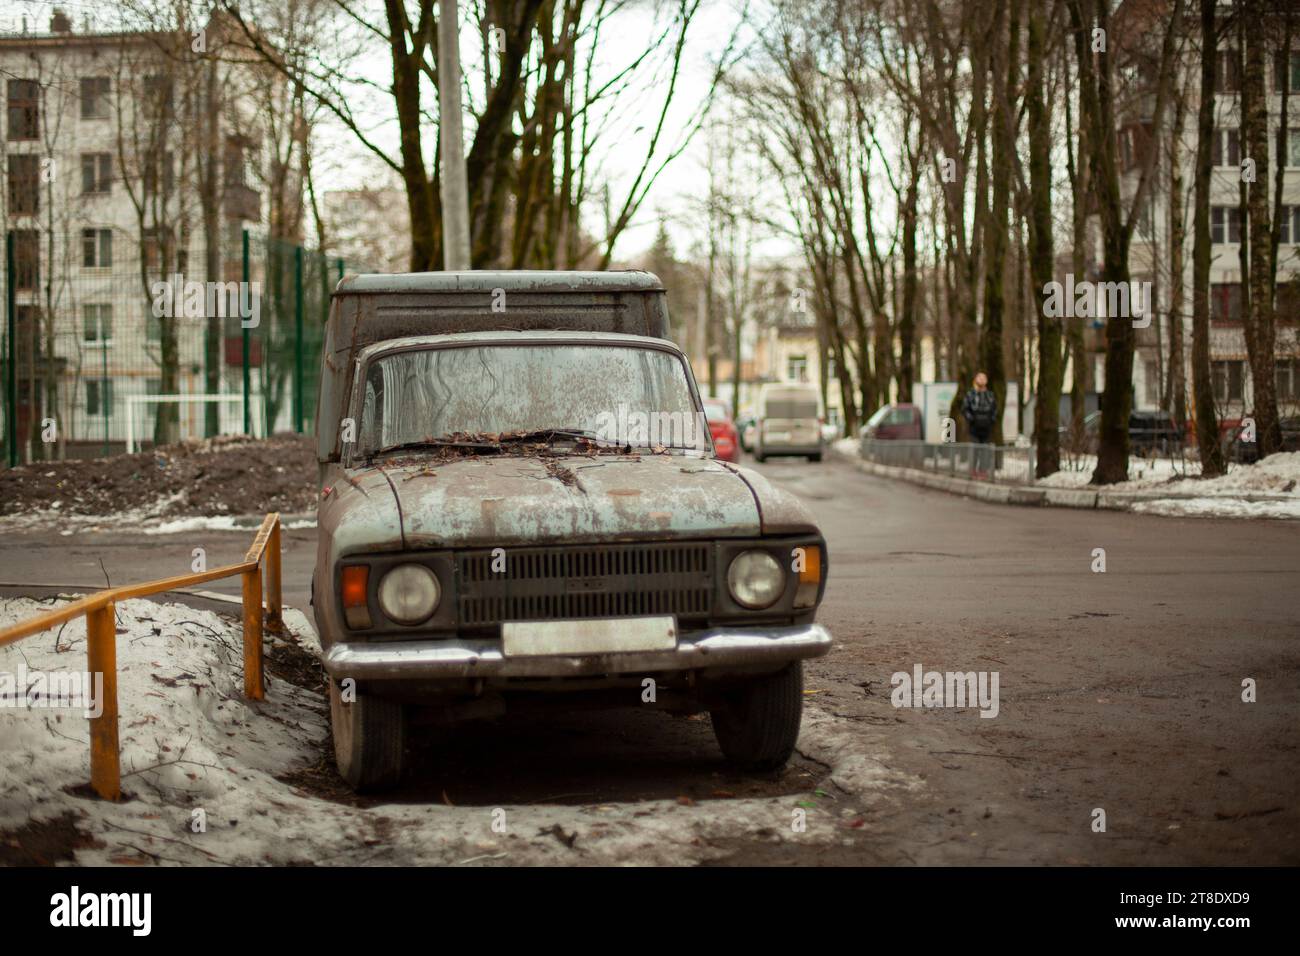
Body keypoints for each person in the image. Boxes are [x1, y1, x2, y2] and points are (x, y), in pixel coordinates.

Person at [961, 372, 997, 477]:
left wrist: (991, 420)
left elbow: (994, 410)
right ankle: (973, 470)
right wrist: (971, 419)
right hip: (974, 428)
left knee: (985, 450)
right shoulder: (971, 395)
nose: (981, 380)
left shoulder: (990, 395)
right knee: (974, 449)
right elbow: (964, 409)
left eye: (983, 378)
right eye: (979, 378)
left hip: (986, 427)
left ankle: (983, 471)